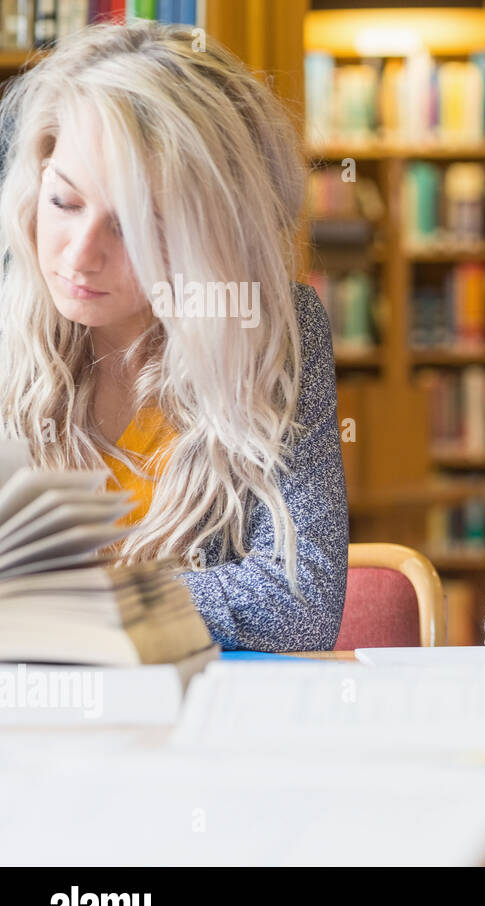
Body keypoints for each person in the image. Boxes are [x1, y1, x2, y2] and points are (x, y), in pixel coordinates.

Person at [0, 22, 349, 650]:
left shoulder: (272, 328)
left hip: (200, 721)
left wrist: (68, 599)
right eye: (64, 202)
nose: (79, 258)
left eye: (134, 226)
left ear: (214, 237)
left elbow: (301, 600)